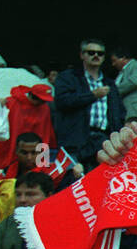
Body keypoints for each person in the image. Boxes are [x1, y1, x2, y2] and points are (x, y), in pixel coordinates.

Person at [52, 40, 123, 170]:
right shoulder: (68, 77)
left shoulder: (109, 83)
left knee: (99, 178)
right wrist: (92, 95)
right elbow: (62, 102)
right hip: (74, 139)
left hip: (102, 139)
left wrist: (115, 136)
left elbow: (120, 112)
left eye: (100, 53)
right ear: (82, 55)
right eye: (91, 52)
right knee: (72, 177)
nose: (96, 55)